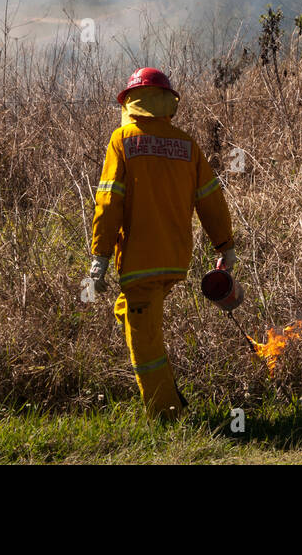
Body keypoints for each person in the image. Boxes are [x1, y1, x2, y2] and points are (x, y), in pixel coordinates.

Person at [87, 67, 236, 421]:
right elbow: (211, 199)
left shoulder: (122, 139)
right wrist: (225, 246)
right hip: (173, 260)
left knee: (145, 345)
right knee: (133, 317)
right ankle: (172, 398)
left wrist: (100, 257)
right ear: (168, 102)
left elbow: (109, 202)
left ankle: (168, 417)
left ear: (130, 102)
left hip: (140, 261)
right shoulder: (186, 144)